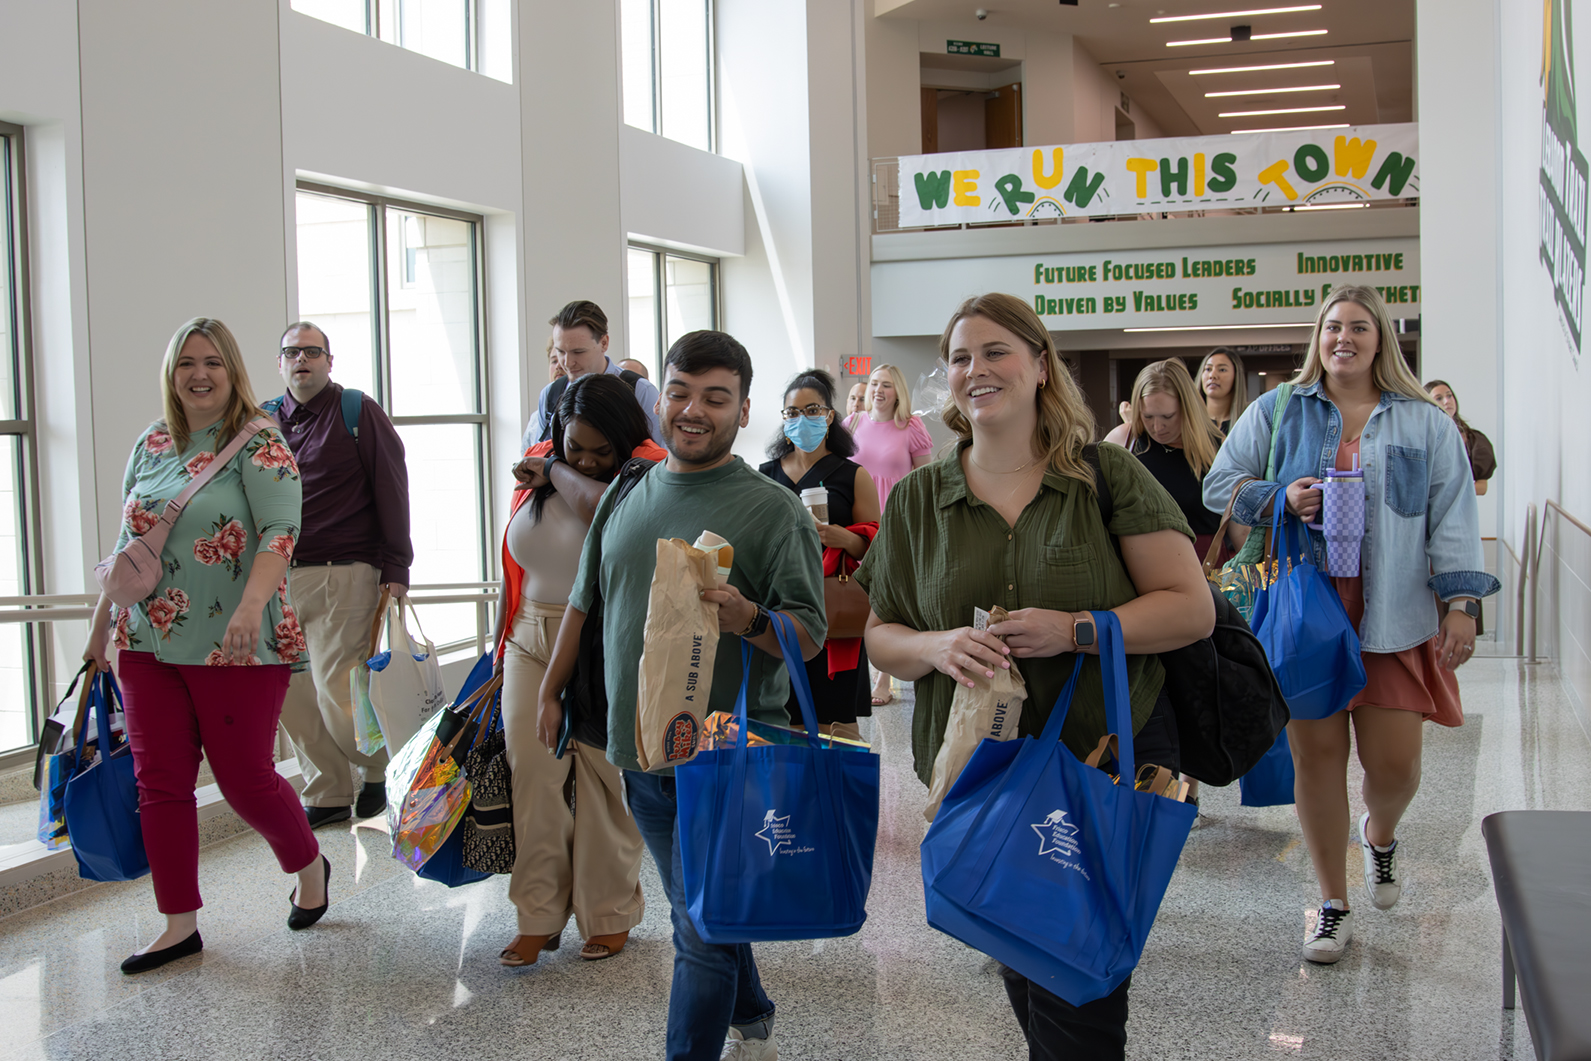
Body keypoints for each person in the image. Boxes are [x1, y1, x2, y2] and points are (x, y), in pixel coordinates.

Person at [855, 293, 1214, 1060]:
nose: (974, 370)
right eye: (959, 357)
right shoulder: (919, 497)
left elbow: (1190, 609)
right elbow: (880, 634)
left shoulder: (1103, 475)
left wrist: (1074, 630)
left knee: (1074, 981)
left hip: (1101, 756)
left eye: (995, 351)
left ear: (1039, 364)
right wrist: (938, 646)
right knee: (1027, 963)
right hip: (978, 770)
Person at [537, 330, 826, 1061]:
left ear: (742, 408)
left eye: (714, 397)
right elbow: (583, 598)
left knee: (696, 930)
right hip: (640, 751)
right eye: (680, 392)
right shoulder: (629, 491)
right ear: (659, 397)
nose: (693, 410)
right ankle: (752, 1006)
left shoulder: (773, 508)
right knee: (705, 909)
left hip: (726, 756)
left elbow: (811, 633)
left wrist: (749, 617)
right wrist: (548, 692)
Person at [1204, 285, 1498, 965]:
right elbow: (1219, 485)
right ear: (1318, 336)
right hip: (1306, 614)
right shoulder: (1277, 409)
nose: (1343, 337)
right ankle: (1331, 903)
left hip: (1394, 616)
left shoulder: (1423, 422)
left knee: (1395, 764)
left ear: (1379, 340)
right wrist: (1281, 495)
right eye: (1332, 326)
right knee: (1317, 757)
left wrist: (1461, 603)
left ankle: (1380, 832)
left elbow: (1452, 514)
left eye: (1358, 327)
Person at [83, 317, 328, 975]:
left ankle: (308, 863)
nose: (199, 374)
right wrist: (100, 627)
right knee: (158, 782)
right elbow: (126, 544)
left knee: (244, 777)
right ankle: (178, 923)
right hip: (145, 641)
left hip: (235, 638)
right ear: (172, 372)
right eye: (187, 362)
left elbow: (281, 531)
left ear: (233, 371)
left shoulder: (259, 441)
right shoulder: (152, 441)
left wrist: (251, 605)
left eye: (212, 362)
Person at [492, 373, 666, 968]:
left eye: (600, 449)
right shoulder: (537, 465)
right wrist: (500, 641)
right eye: (576, 447)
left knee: (603, 783)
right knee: (531, 776)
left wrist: (559, 470)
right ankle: (536, 914)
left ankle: (609, 912)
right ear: (556, 434)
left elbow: (603, 509)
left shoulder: (648, 471)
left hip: (603, 640)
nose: (587, 459)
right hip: (528, 638)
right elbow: (515, 560)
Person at [271, 321, 413, 829]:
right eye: (292, 352)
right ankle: (327, 791)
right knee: (290, 694)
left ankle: (377, 771)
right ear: (280, 362)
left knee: (337, 690)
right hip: (276, 578)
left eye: (312, 351)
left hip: (344, 572)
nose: (301, 360)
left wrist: (397, 565)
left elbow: (392, 486)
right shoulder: (265, 422)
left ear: (329, 361)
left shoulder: (355, 411)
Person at [758, 369, 881, 742]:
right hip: (780, 609)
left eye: (812, 410)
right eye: (792, 413)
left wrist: (842, 537)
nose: (801, 420)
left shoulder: (852, 475)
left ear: (829, 415)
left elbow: (877, 549)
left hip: (835, 613)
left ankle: (837, 795)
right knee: (784, 720)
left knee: (836, 726)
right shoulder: (766, 475)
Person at [845, 362, 933, 705]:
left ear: (899, 392)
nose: (878, 391)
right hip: (860, 520)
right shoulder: (852, 422)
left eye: (887, 385)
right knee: (860, 593)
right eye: (875, 384)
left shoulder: (910, 426)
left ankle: (884, 679)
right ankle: (861, 671)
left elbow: (925, 479)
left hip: (896, 520)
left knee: (889, 595)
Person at [519, 301, 663, 450]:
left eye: (578, 352)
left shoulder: (640, 391)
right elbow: (541, 458)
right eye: (561, 352)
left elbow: (660, 462)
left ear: (604, 343)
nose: (567, 363)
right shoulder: (550, 395)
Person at [1122, 359, 1226, 560]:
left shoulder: (1216, 448)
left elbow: (1239, 523)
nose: (1157, 427)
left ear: (1187, 409)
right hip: (1142, 558)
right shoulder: (1127, 441)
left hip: (1203, 560)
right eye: (1148, 417)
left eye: (1167, 416)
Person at [1425, 379, 1496, 496]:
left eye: (1449, 396)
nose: (1447, 401)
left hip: (1460, 509)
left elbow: (1482, 487)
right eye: (1439, 398)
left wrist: (1449, 491)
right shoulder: (1422, 439)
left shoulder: (1474, 439)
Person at [1197, 347, 1247, 435]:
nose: (1212, 375)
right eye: (1208, 369)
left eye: (1222, 370)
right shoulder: (1187, 421)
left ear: (1235, 377)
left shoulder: (1247, 421)